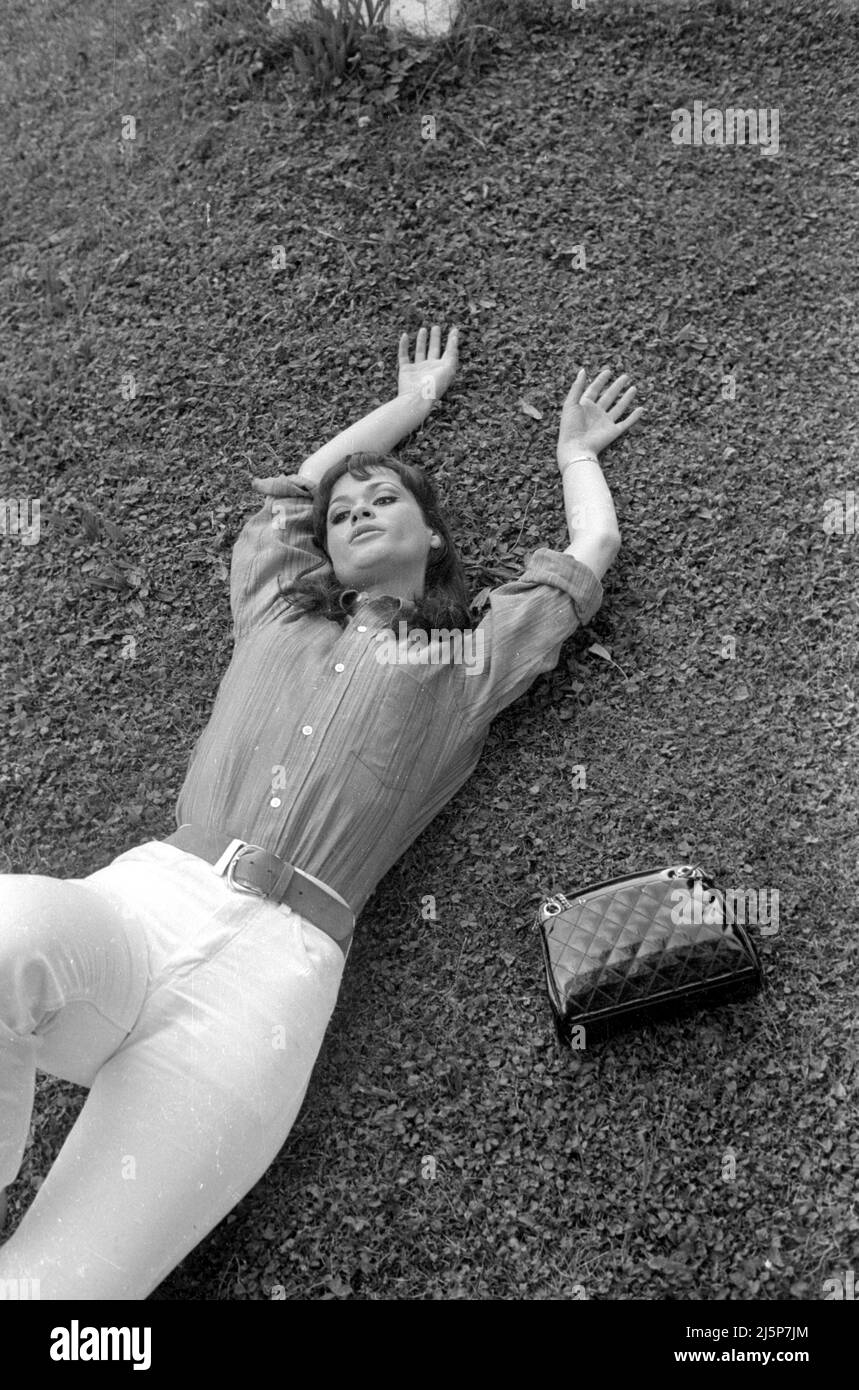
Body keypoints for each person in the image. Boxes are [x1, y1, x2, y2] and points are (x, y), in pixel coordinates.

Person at [0, 325, 643, 1298]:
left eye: (386, 498)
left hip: (261, 996)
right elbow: (304, 482)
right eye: (347, 512)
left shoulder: (465, 662)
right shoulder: (276, 610)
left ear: (432, 542)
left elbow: (588, 551)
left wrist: (574, 454)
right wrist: (411, 403)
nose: (358, 509)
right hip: (145, 908)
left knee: (66, 1293)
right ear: (327, 551)